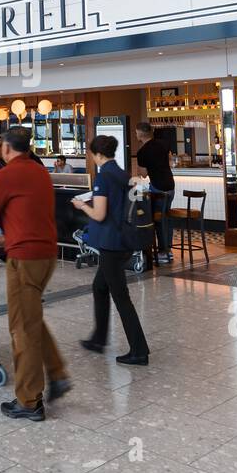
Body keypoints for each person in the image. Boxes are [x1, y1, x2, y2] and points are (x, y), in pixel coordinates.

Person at [0, 127, 70, 421]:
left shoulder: (7, 174)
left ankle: (29, 401)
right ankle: (57, 374)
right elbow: (30, 213)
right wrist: (8, 235)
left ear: (7, 148)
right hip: (46, 255)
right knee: (32, 319)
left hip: (25, 258)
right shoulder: (39, 171)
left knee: (22, 329)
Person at [71, 135, 150, 366]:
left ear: (97, 154)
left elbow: (99, 214)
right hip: (123, 240)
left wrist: (82, 205)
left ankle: (139, 350)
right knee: (99, 287)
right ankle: (98, 338)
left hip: (111, 244)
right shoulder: (120, 172)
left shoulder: (104, 176)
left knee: (121, 298)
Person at [134, 122, 175, 266]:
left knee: (157, 220)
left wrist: (139, 169)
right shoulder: (164, 144)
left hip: (158, 188)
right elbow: (170, 160)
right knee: (166, 218)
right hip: (170, 186)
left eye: (136, 132)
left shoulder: (142, 152)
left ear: (139, 133)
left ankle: (163, 252)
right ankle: (167, 251)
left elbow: (143, 174)